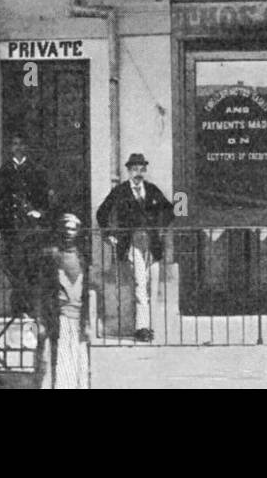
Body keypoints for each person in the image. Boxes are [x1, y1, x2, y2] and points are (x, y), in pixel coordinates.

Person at [96, 152, 174, 342]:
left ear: (145, 170)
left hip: (152, 244)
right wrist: (109, 234)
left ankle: (149, 326)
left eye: (141, 169)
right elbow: (101, 212)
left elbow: (170, 210)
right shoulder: (121, 191)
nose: (138, 173)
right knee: (140, 284)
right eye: (134, 169)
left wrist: (160, 227)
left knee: (151, 285)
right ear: (128, 171)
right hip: (133, 243)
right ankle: (142, 328)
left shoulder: (152, 189)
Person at [0, 134, 52, 315]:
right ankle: (18, 311)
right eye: (14, 144)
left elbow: (46, 199)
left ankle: (31, 311)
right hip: (11, 229)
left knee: (31, 269)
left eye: (20, 144)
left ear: (26, 147)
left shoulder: (36, 170)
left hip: (31, 229)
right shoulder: (4, 171)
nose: (17, 147)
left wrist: (39, 212)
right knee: (15, 270)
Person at [36, 214, 90, 389]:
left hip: (78, 318)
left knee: (78, 363)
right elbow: (42, 289)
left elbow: (86, 291)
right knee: (59, 362)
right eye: (65, 228)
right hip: (59, 317)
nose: (69, 232)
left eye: (73, 229)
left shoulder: (82, 258)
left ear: (78, 232)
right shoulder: (51, 255)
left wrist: (88, 321)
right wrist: (41, 320)